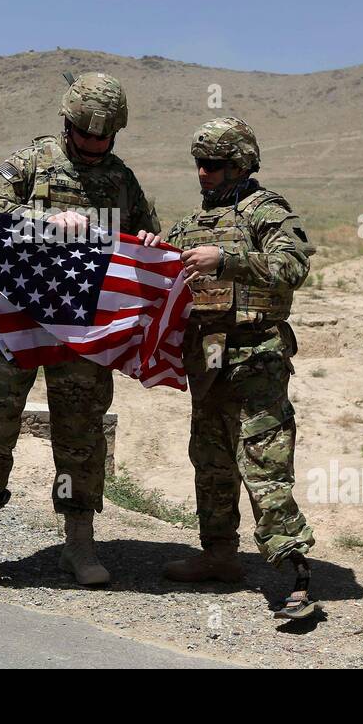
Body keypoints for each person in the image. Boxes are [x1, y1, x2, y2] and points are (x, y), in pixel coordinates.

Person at [0, 72, 160, 587]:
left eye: (105, 138)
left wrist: (150, 240)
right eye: (87, 135)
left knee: (81, 435)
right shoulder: (30, 163)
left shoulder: (121, 179)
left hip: (83, 330)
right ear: (67, 124)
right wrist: (42, 222)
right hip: (20, 322)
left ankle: (79, 541)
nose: (95, 146)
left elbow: (141, 233)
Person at [137, 117, 318, 620]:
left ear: (240, 164)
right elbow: (171, 265)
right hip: (209, 357)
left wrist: (229, 259)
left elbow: (293, 267)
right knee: (211, 459)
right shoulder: (195, 221)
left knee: (264, 463)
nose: (203, 172)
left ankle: (295, 574)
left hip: (256, 355)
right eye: (198, 163)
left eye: (213, 164)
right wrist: (158, 252)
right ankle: (219, 555)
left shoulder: (266, 210)